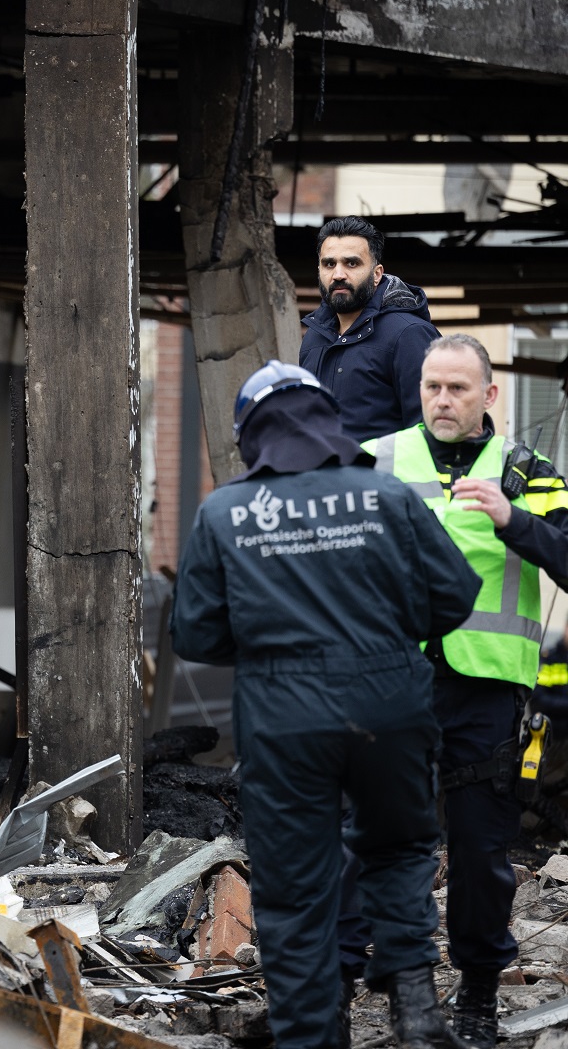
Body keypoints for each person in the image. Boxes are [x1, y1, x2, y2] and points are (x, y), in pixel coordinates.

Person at [174, 361, 480, 1049]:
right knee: (399, 851)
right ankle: (417, 1011)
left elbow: (196, 632)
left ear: (251, 434)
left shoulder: (224, 511)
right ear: (327, 422)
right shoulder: (388, 495)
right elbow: (455, 596)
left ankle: (312, 1037)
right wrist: (387, 629)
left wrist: (270, 637)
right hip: (389, 699)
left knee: (294, 885)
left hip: (284, 714)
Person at [359, 335, 568, 1046]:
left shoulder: (527, 470)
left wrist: (516, 522)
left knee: (481, 853)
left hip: (485, 690)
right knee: (391, 843)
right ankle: (404, 994)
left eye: (457, 388)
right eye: (431, 387)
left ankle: (478, 995)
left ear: (489, 395)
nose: (442, 400)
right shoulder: (377, 460)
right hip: (394, 684)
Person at [300, 215, 440, 442]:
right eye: (329, 264)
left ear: (377, 274)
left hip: (385, 477)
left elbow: (430, 432)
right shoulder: (313, 338)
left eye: (351, 263)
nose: (338, 274)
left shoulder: (409, 335)